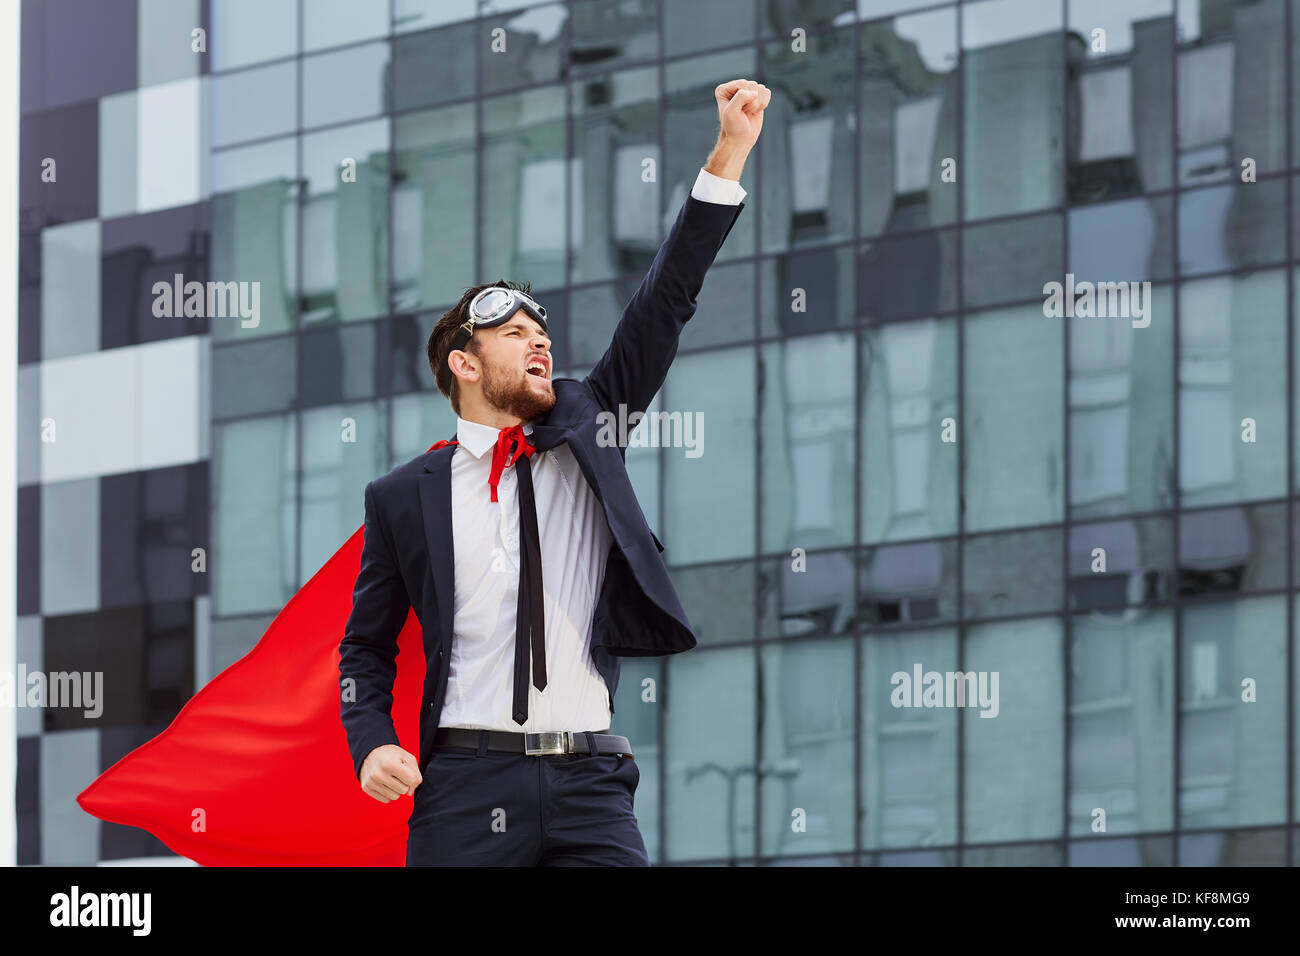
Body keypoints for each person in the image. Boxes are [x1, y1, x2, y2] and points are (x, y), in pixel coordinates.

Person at [340, 78, 767, 866]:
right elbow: (365, 649)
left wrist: (729, 154)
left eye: (542, 328)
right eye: (513, 332)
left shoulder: (591, 425)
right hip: (463, 787)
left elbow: (665, 300)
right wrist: (371, 744)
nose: (539, 340)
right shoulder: (403, 497)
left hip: (590, 782)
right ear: (464, 364)